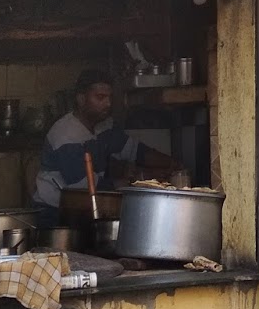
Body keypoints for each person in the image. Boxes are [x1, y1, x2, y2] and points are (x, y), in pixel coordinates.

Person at [31, 70, 171, 227]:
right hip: (54, 214)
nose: (108, 104)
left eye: (110, 98)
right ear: (81, 99)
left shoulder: (105, 125)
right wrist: (136, 181)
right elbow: (85, 186)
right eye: (100, 98)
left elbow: (134, 150)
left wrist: (173, 164)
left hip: (87, 208)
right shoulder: (65, 134)